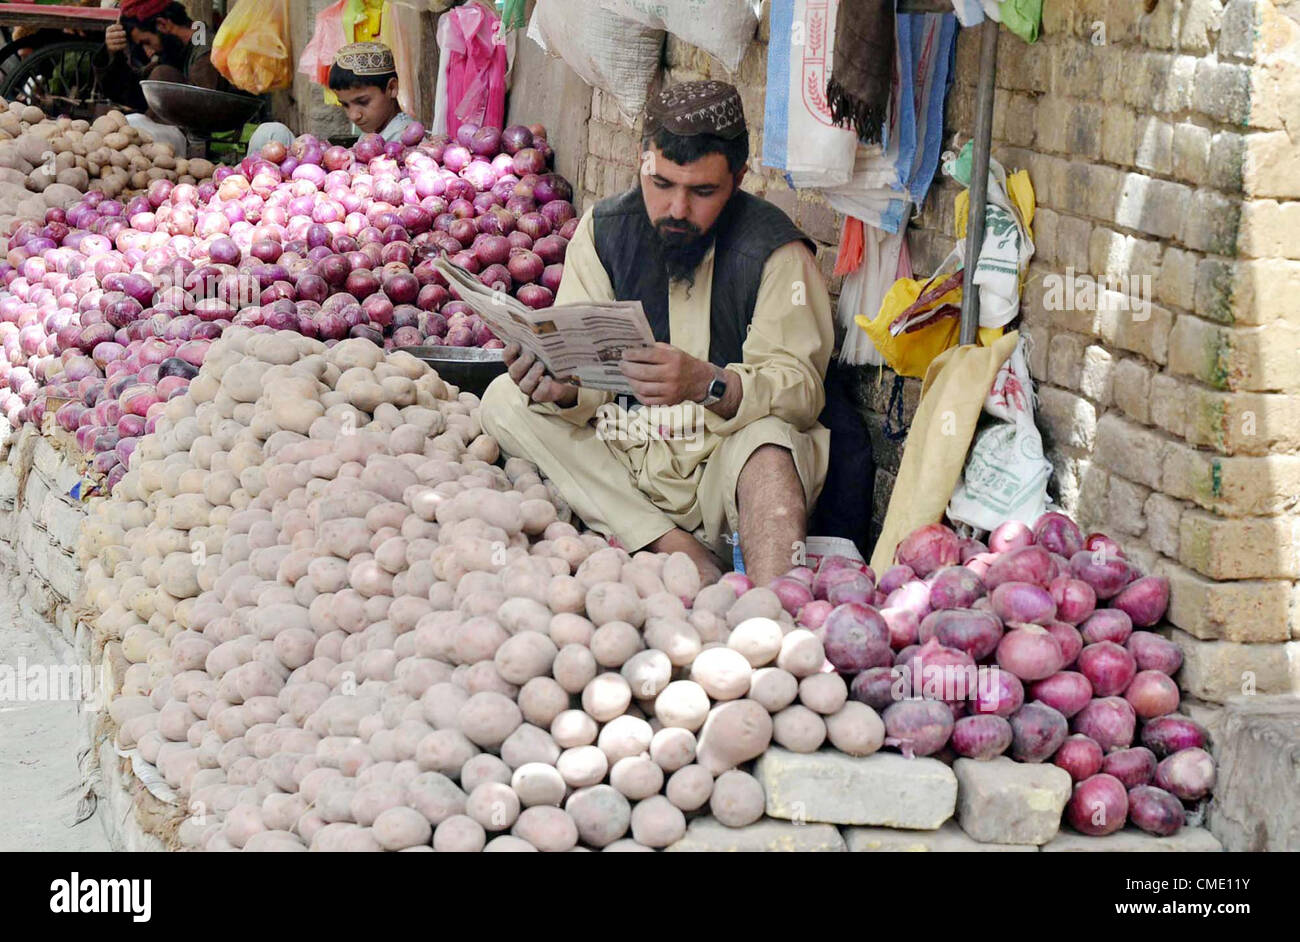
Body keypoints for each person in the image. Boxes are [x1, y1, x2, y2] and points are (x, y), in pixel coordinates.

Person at [480, 81, 834, 587]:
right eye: (662, 184)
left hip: (722, 471)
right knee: (503, 401)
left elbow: (801, 393)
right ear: (642, 160)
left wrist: (710, 384)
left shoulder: (776, 254)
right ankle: (673, 545)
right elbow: (584, 376)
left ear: (738, 179)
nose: (677, 209)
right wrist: (563, 389)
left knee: (772, 446)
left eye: (702, 192)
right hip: (627, 461)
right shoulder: (605, 232)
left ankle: (775, 611)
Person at [101, 0, 231, 157]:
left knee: (161, 74)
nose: (148, 50)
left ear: (162, 24)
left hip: (189, 129)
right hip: (167, 131)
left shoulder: (204, 49)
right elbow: (131, 91)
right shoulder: (174, 49)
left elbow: (202, 108)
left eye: (147, 42)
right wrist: (113, 54)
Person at [246, 42, 414, 156]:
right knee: (271, 132)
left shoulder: (405, 141)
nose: (353, 115)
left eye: (363, 102)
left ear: (391, 88)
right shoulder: (374, 132)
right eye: (345, 105)